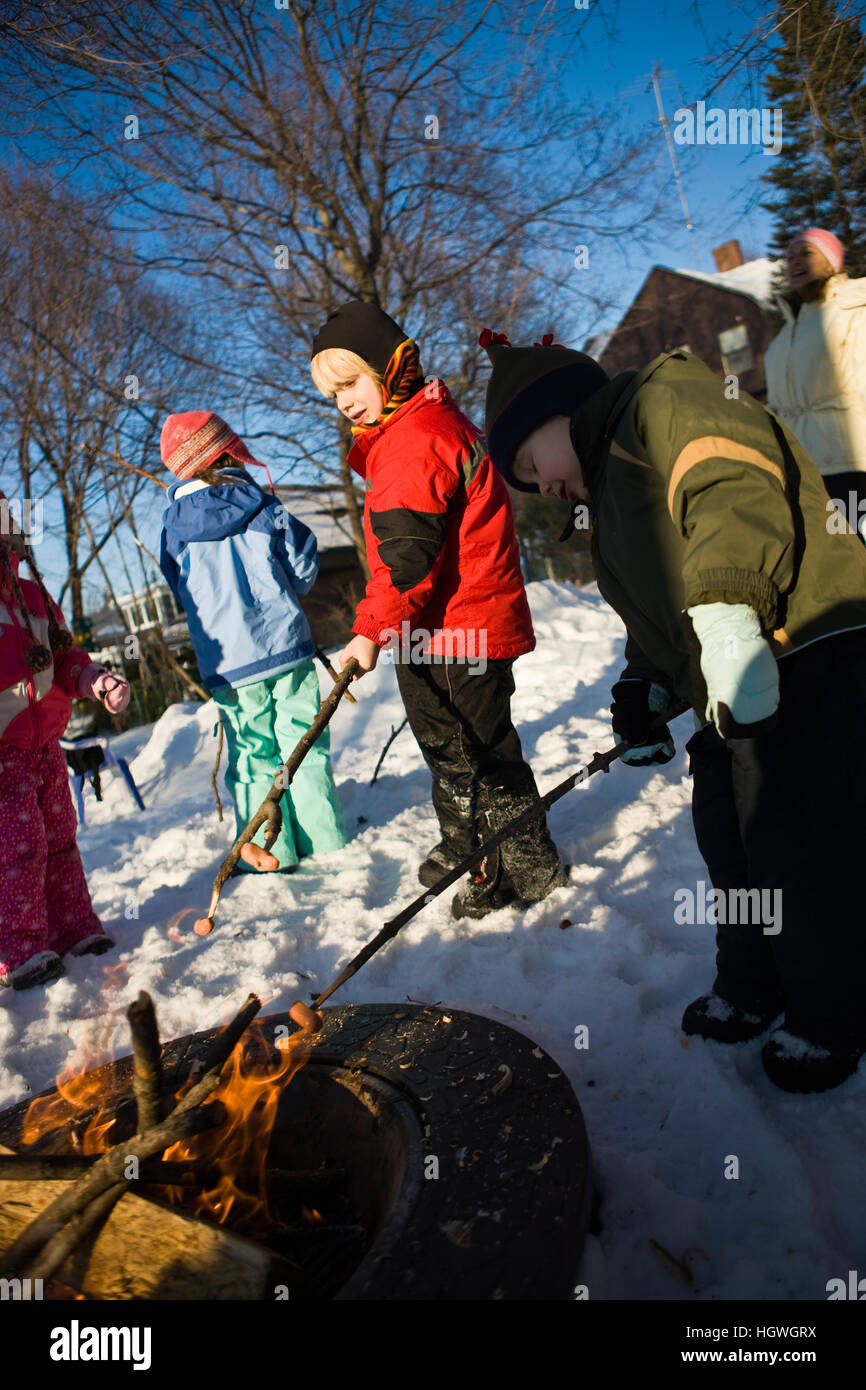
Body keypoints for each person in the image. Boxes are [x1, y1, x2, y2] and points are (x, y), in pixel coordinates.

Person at [481, 329, 866, 1093]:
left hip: (806, 642)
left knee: (797, 845)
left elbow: (729, 485)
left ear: (562, 410)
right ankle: (755, 986)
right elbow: (657, 617)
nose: (538, 486)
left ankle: (832, 1013)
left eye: (530, 463)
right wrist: (645, 687)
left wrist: (728, 611)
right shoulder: (609, 507)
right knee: (727, 834)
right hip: (732, 679)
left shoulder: (664, 398)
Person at [310, 299, 566, 919]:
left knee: (475, 751)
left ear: (392, 367)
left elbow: (406, 563)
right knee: (449, 747)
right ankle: (466, 841)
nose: (343, 401)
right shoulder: (412, 431)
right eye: (332, 392)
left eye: (351, 383)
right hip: (435, 629)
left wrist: (369, 630)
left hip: (456, 631)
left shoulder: (413, 443)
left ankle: (520, 865)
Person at [159, 412, 346, 873]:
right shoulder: (264, 508)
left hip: (227, 667)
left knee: (251, 754)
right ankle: (325, 840)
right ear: (228, 451)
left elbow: (180, 592)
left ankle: (272, 854)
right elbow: (303, 571)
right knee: (303, 745)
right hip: (284, 648)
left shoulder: (172, 530)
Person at [0, 493, 128, 989]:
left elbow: (65, 656)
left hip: (46, 746)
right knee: (16, 848)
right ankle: (19, 945)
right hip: (4, 752)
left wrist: (94, 678)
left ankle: (73, 927)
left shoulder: (34, 599)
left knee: (58, 838)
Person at [765, 227, 866, 540]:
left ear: (832, 261)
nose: (795, 261)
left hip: (853, 463)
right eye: (790, 255)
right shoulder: (785, 336)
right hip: (807, 473)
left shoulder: (854, 309)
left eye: (807, 252)